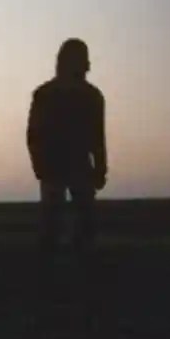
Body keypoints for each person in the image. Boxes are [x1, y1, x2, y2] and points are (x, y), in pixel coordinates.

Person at [27, 39, 107, 254]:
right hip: (64, 168)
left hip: (63, 168)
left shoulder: (46, 94)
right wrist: (100, 169)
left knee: (64, 225)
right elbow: (97, 139)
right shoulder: (91, 96)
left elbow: (33, 135)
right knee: (70, 224)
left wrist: (39, 165)